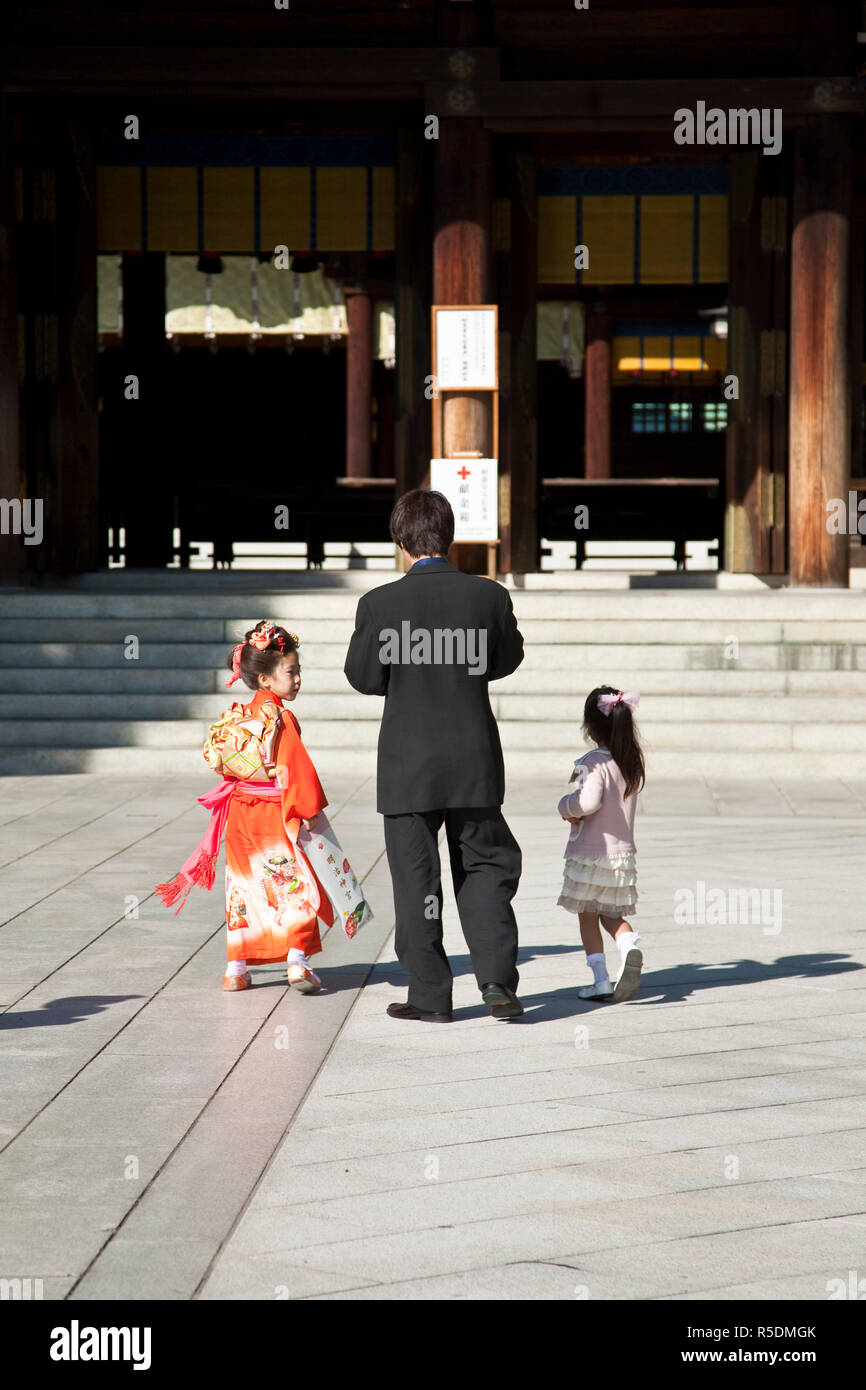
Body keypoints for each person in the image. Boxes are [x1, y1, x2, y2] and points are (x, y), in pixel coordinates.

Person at [344, 489, 525, 1023]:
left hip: (407, 765)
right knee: (486, 866)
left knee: (416, 879)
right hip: (473, 759)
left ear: (401, 540)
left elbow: (364, 677)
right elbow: (506, 659)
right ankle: (496, 982)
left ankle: (430, 995)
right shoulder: (487, 596)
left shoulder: (379, 603)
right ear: (450, 536)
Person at [155, 621, 333, 993]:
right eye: (291, 671)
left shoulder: (237, 715)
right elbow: (296, 771)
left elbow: (221, 760)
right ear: (266, 680)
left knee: (245, 888)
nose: (298, 679)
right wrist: (310, 811)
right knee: (293, 886)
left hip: (239, 812)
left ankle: (235, 969)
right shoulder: (281, 718)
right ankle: (297, 962)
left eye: (298, 670)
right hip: (274, 815)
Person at [557, 686, 645, 1002]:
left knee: (586, 914)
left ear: (590, 726)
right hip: (621, 856)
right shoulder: (630, 760)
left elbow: (588, 802)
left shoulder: (592, 761)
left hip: (591, 854)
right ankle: (628, 944)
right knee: (610, 913)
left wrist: (566, 806)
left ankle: (600, 980)